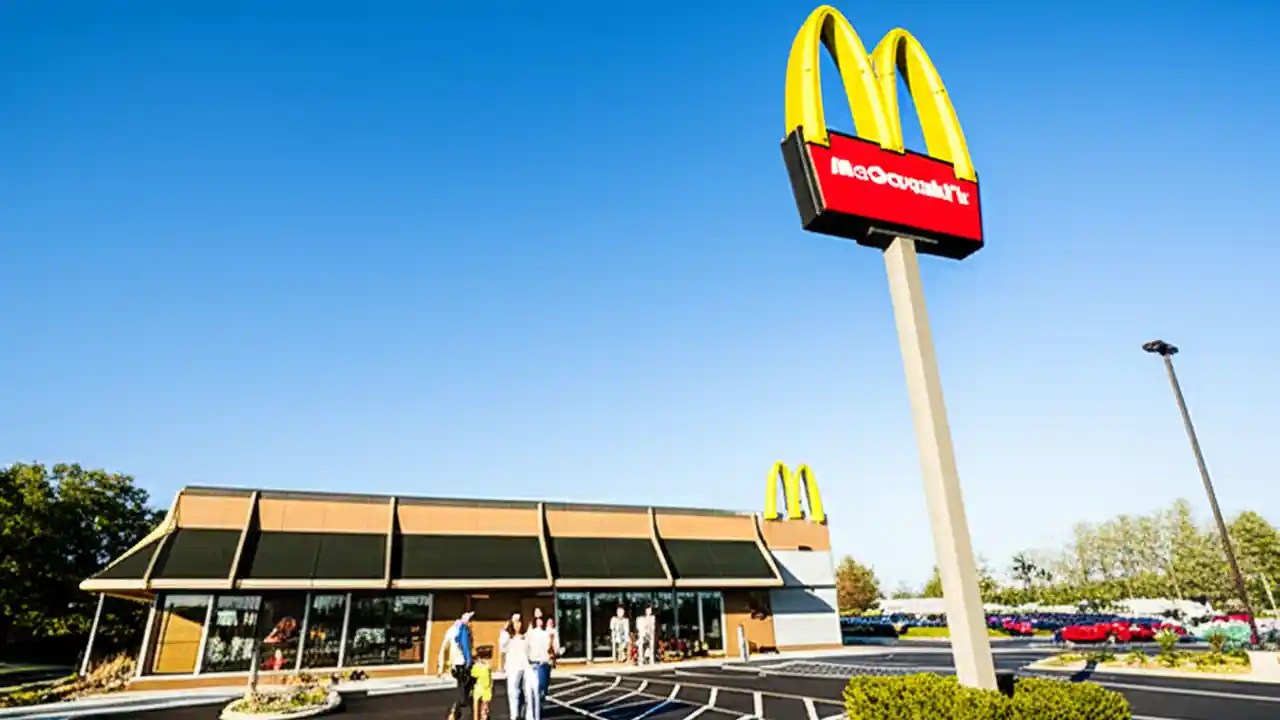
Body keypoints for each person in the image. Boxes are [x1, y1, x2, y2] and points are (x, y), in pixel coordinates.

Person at [437, 611, 475, 720]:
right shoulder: (463, 630)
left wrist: (441, 666)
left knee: (462, 690)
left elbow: (443, 648)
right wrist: (469, 661)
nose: (472, 624)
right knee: (464, 694)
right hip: (462, 664)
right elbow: (466, 648)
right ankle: (458, 713)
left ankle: (455, 713)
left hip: (455, 665)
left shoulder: (451, 630)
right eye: (471, 621)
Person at [498, 612, 535, 720]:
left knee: (528, 691)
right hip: (513, 666)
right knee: (513, 691)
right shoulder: (507, 637)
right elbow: (502, 650)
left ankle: (529, 715)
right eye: (515, 622)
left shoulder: (525, 637)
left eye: (519, 621)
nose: (517, 624)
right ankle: (514, 715)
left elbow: (530, 649)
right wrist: (501, 666)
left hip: (526, 666)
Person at [526, 616, 552, 710]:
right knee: (539, 684)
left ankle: (541, 699)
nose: (539, 622)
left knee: (545, 684)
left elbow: (549, 646)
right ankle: (536, 704)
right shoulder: (531, 633)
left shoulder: (546, 633)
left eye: (541, 620)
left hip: (545, 660)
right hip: (535, 661)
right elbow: (527, 644)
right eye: (538, 620)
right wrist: (528, 657)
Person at [470, 647, 493, 720]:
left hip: (481, 689)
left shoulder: (480, 667)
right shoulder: (485, 667)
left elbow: (473, 674)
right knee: (482, 709)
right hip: (482, 690)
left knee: (481, 709)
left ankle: (480, 717)